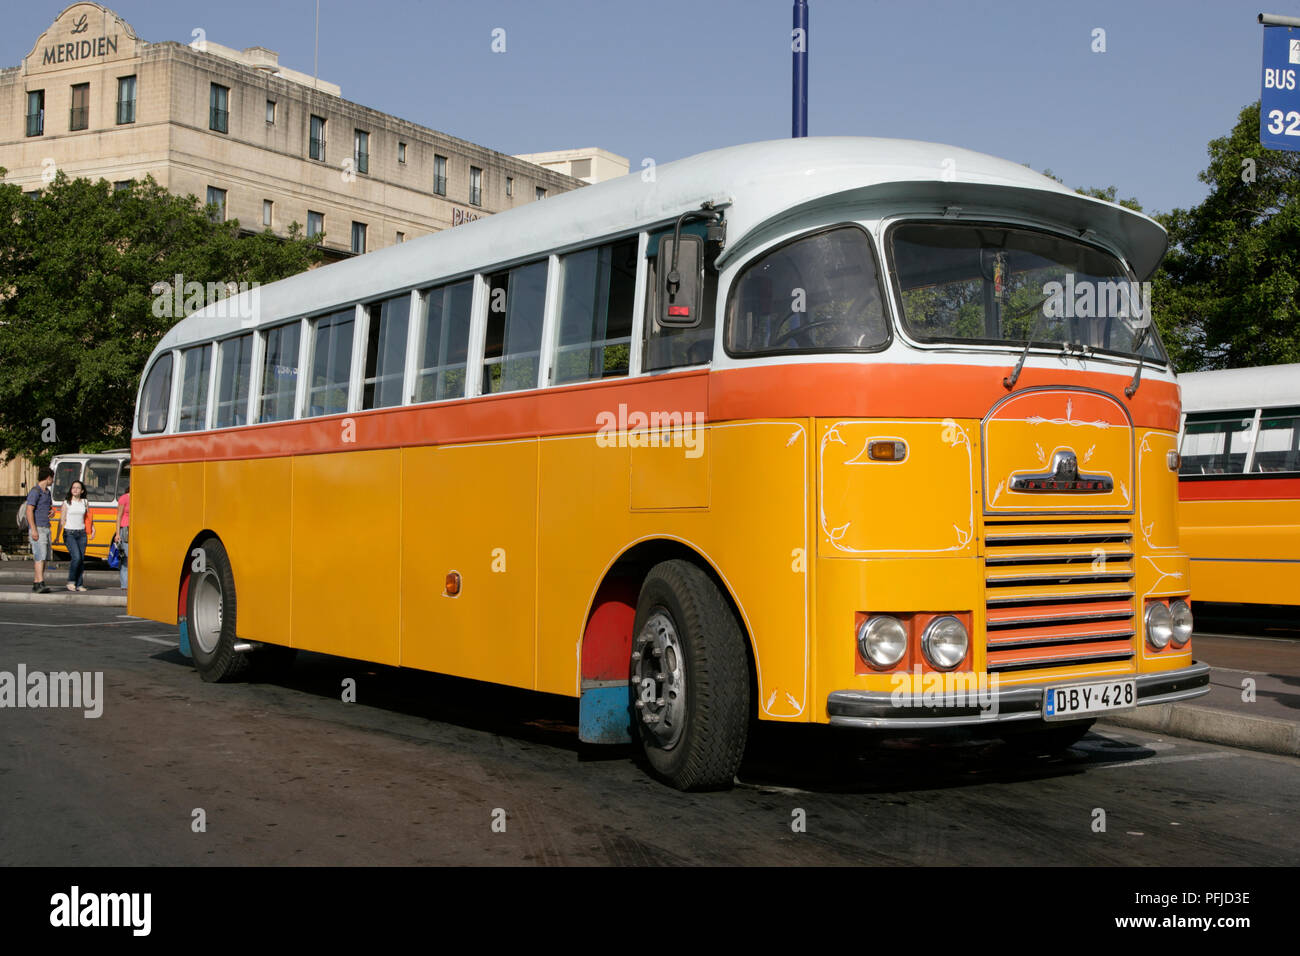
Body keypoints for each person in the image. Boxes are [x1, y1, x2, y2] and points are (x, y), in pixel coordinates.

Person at [59, 479, 94, 592]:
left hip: (82, 533)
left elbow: (88, 518)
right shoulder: (66, 502)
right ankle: (71, 581)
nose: (75, 489)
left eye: (78, 488)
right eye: (73, 487)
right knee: (76, 557)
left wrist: (92, 529)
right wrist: (57, 536)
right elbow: (62, 520)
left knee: (81, 559)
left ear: (82, 491)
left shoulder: (85, 502)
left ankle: (79, 584)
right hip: (69, 533)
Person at [25, 467, 54, 593]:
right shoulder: (35, 491)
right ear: (48, 477)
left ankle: (37, 582)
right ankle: (40, 582)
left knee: (45, 557)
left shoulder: (47, 492)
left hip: (46, 527)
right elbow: (29, 510)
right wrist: (34, 529)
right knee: (39, 556)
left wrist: (51, 511)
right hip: (38, 528)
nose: (52, 481)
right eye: (52, 478)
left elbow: (47, 507)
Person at [114, 481, 130, 590]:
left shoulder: (142, 497)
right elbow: (119, 516)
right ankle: (125, 585)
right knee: (127, 557)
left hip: (138, 529)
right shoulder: (124, 498)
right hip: (126, 529)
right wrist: (117, 534)